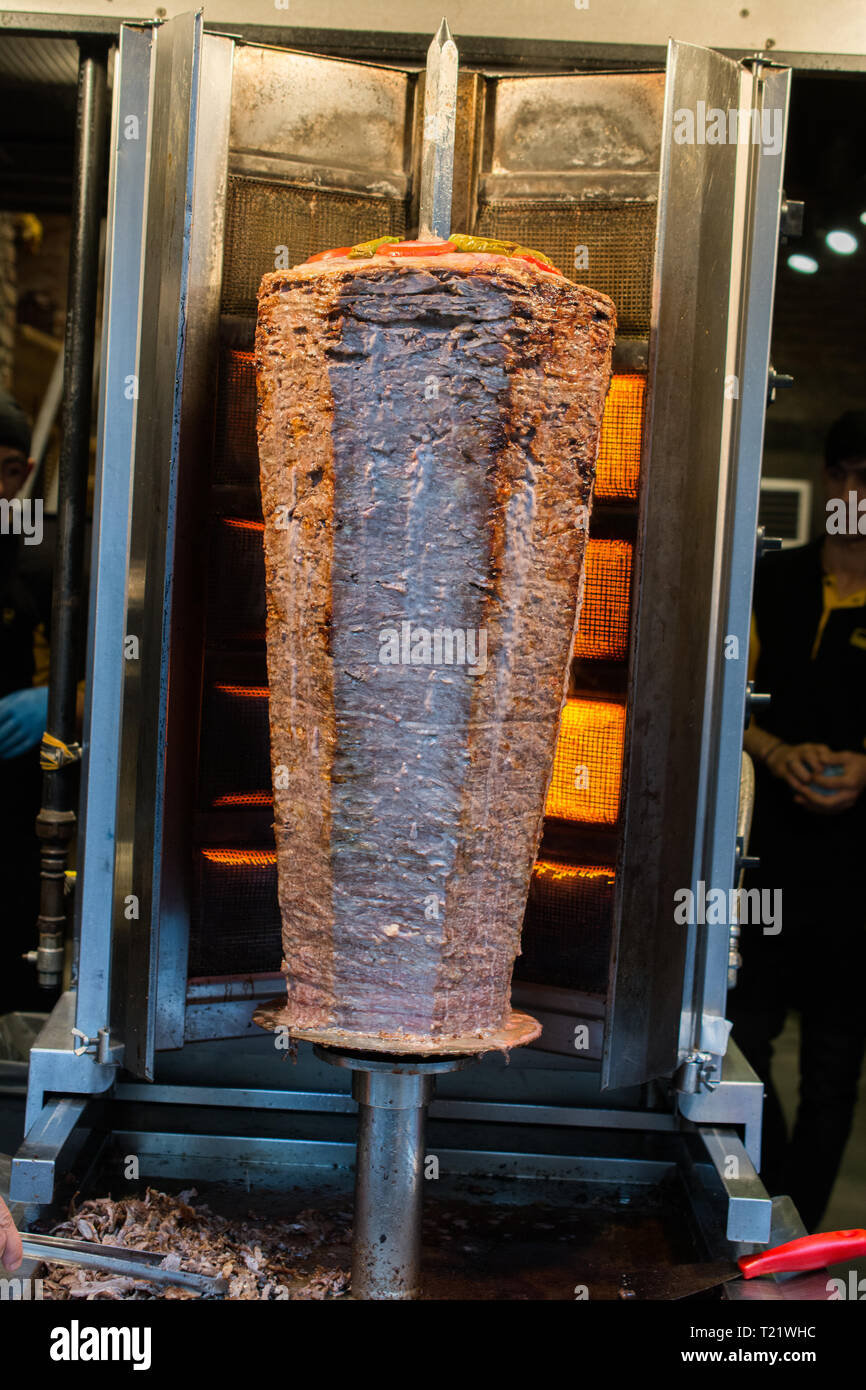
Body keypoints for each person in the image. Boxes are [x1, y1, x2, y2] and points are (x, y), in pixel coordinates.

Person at [731, 409, 866, 1231]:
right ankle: (760, 1206)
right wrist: (773, 752)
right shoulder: (775, 582)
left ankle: (800, 1239)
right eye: (846, 472)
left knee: (833, 1068)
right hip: (766, 865)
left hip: (855, 880)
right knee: (743, 1038)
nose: (856, 492)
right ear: (827, 480)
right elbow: (726, 701)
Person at [0, 389, 50, 1013]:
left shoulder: (42, 549)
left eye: (8, 470)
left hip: (22, 804)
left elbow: (121, 661)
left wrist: (63, 700)